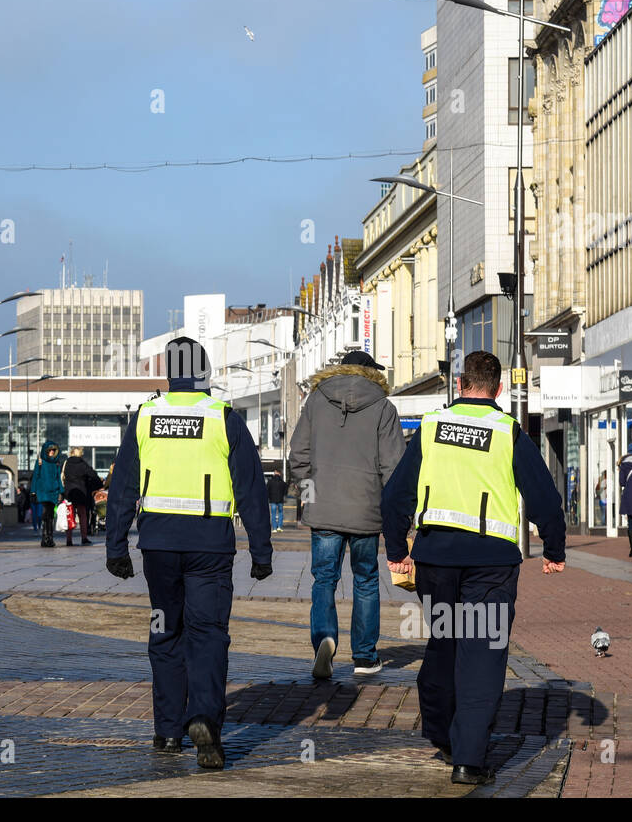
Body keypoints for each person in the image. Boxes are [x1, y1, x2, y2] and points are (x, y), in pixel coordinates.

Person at [381, 350, 566, 786]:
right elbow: (544, 498)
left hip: (435, 559)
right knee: (482, 654)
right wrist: (554, 550)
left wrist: (396, 548)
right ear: (499, 390)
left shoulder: (430, 427)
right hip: (489, 565)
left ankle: (441, 732)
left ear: (460, 385)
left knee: (444, 642)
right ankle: (467, 759)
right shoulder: (508, 433)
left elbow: (394, 497)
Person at [106, 336, 273, 770]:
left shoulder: (146, 416)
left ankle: (167, 732)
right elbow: (250, 489)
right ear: (206, 372)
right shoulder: (224, 418)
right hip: (209, 548)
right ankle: (204, 720)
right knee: (208, 634)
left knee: (165, 633)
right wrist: (261, 550)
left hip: (159, 548)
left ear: (169, 373)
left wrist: (116, 546)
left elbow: (123, 485)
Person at [290, 349, 405, 679]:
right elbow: (393, 467)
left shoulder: (316, 400)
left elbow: (298, 456)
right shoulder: (384, 407)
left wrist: (310, 496)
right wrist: (391, 509)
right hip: (366, 509)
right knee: (366, 581)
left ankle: (324, 638)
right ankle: (365, 657)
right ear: (371, 373)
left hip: (323, 507)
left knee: (323, 579)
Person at [61, 446, 101, 545]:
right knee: (82, 515)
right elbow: (93, 475)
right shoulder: (82, 464)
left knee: (70, 515)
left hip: (69, 492)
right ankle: (84, 537)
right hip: (81, 492)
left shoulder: (67, 463)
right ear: (80, 454)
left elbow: (63, 476)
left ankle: (69, 540)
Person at [31, 440, 64, 548]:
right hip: (43, 491)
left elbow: (58, 478)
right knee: (46, 514)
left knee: (50, 516)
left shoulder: (56, 463)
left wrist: (61, 491)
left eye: (53, 450)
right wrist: (33, 491)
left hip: (53, 492)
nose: (51, 452)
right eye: (50, 450)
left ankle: (49, 538)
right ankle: (46, 537)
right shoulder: (40, 462)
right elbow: (35, 476)